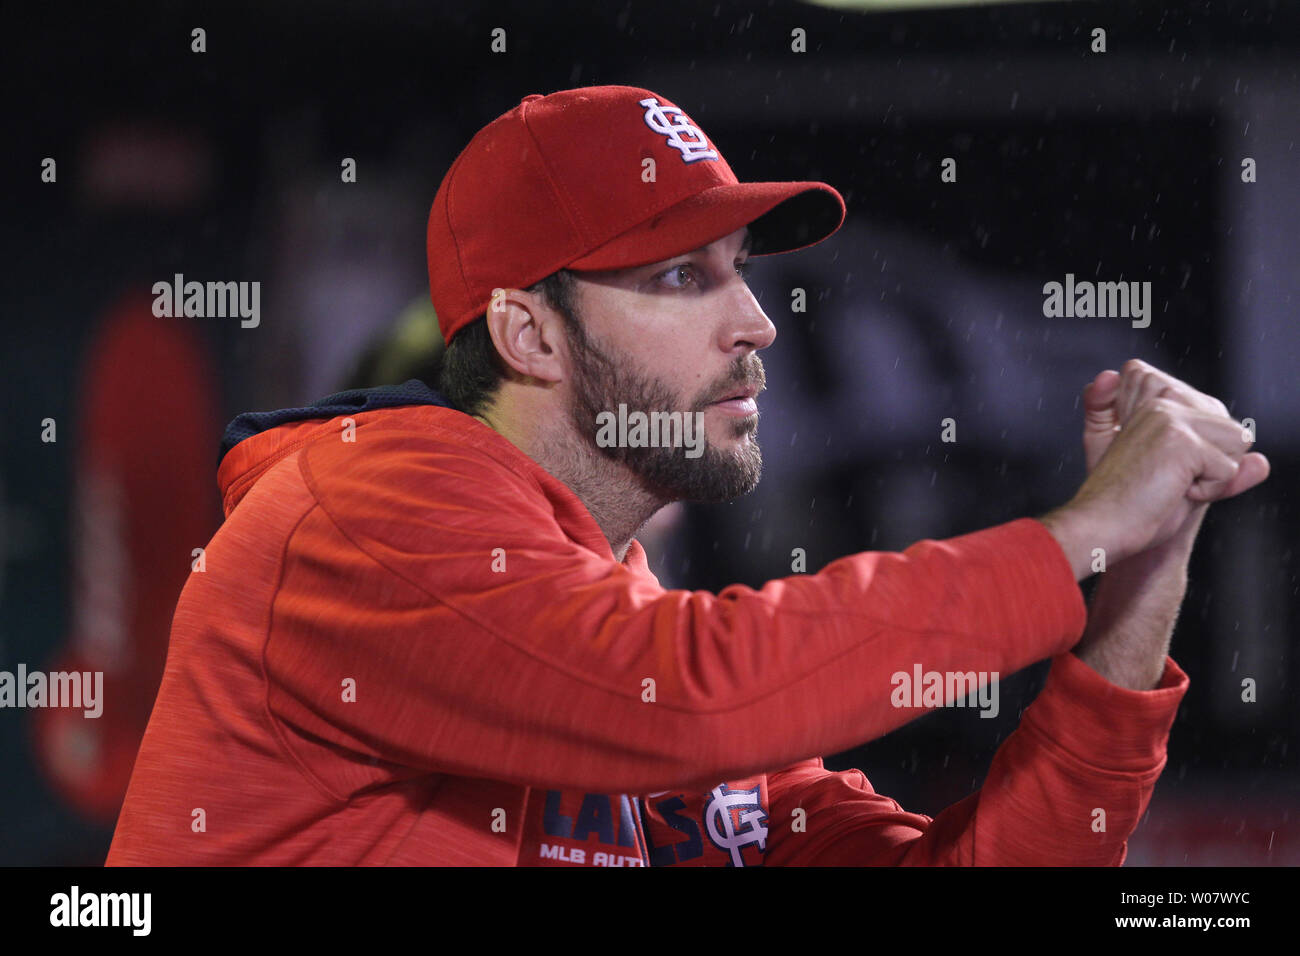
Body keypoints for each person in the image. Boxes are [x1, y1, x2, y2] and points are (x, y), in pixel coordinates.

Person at [106, 85, 1268, 866]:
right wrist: (1073, 537)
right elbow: (687, 691)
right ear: (529, 333)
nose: (756, 321)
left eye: (740, 269)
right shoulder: (366, 508)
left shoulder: (620, 622)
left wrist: (1136, 586)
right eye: (678, 278)